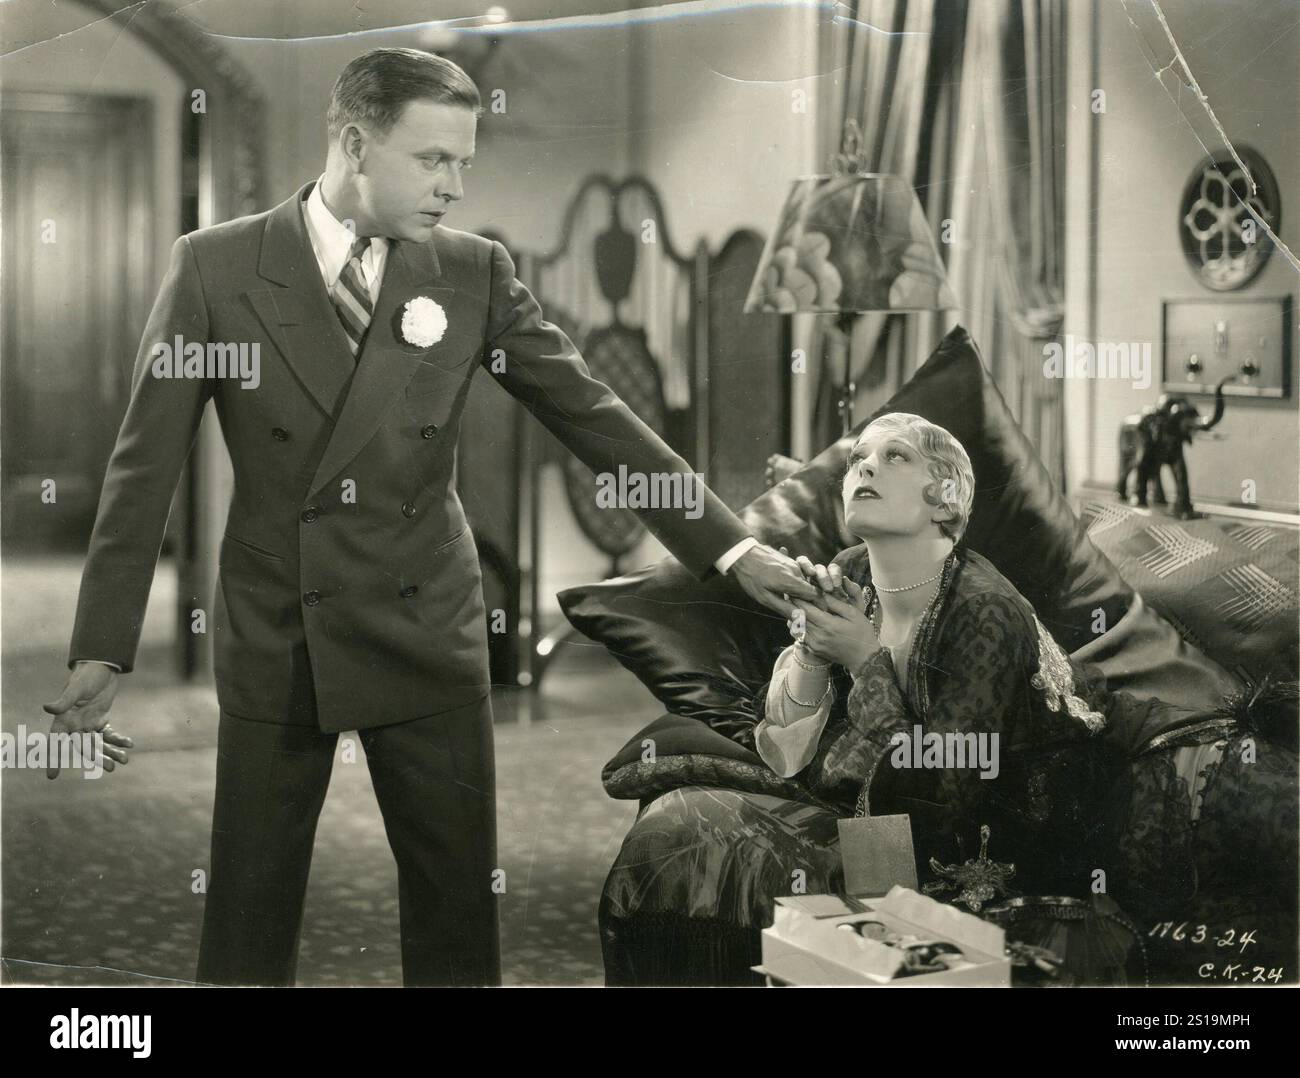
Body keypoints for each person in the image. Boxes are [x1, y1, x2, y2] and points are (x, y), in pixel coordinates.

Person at [40, 46, 816, 988]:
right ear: (357, 144)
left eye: (465, 163)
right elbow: (142, 469)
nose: (455, 186)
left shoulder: (472, 272)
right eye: (433, 160)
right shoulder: (214, 268)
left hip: (429, 623)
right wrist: (101, 647)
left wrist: (731, 547)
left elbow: (594, 415)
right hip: (284, 620)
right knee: (250, 910)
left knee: (455, 908)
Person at [756, 411, 1297, 921]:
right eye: (858, 459)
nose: (864, 467)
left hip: (1161, 788)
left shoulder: (986, 609)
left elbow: (944, 797)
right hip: (1030, 822)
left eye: (895, 457)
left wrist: (863, 659)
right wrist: (812, 646)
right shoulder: (852, 572)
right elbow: (793, 743)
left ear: (945, 502)